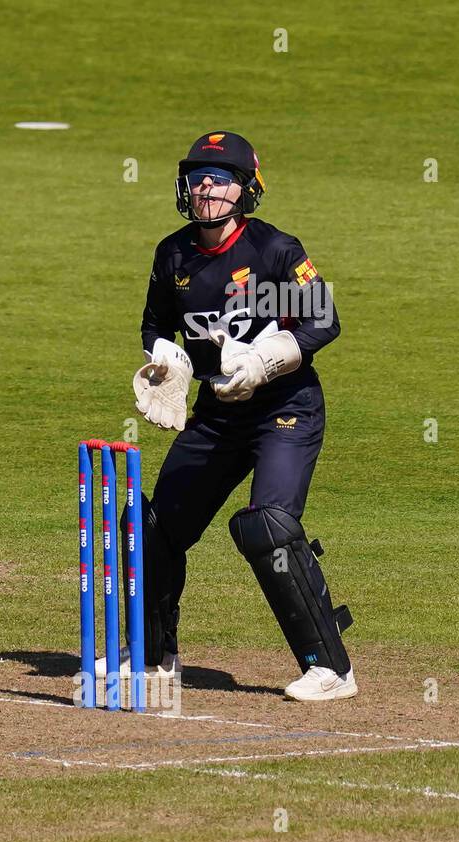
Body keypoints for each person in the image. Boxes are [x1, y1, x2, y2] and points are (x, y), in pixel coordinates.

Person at [130, 132, 356, 701]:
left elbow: (323, 322)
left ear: (247, 187)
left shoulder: (274, 252)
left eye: (222, 177)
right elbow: (155, 325)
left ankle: (330, 668)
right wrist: (169, 360)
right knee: (157, 531)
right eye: (198, 177)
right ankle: (157, 658)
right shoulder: (173, 254)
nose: (207, 187)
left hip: (285, 409)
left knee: (268, 527)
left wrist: (264, 361)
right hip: (216, 416)